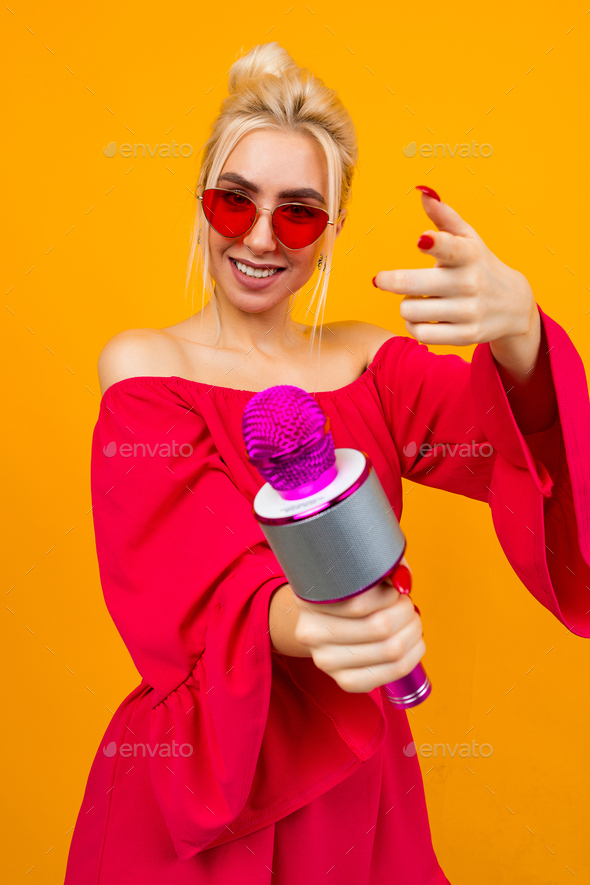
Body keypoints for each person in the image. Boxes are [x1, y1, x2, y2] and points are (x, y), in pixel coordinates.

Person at [64, 42, 590, 885]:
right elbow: (190, 573)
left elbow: (513, 450)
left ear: (333, 229)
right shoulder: (145, 365)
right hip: (205, 786)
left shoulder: (371, 365)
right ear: (202, 204)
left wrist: (521, 333)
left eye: (299, 212)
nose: (262, 237)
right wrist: (317, 624)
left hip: (360, 791)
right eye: (235, 202)